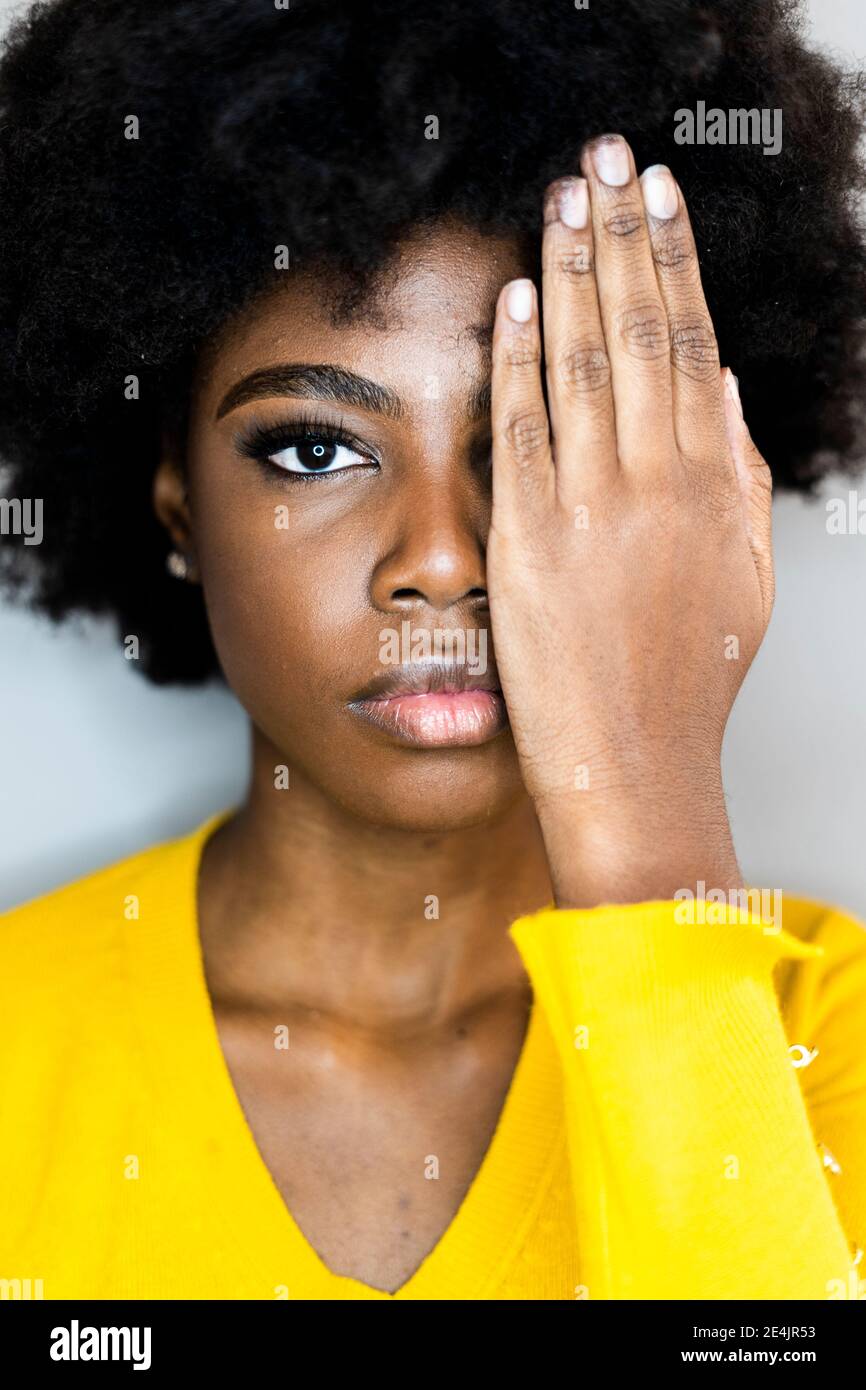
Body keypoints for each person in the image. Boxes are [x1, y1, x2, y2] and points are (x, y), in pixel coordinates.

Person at [1, 0, 865, 1301]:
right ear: (173, 499)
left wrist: (648, 828)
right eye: (312, 447)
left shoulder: (823, 1029)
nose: (444, 558)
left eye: (541, 440)